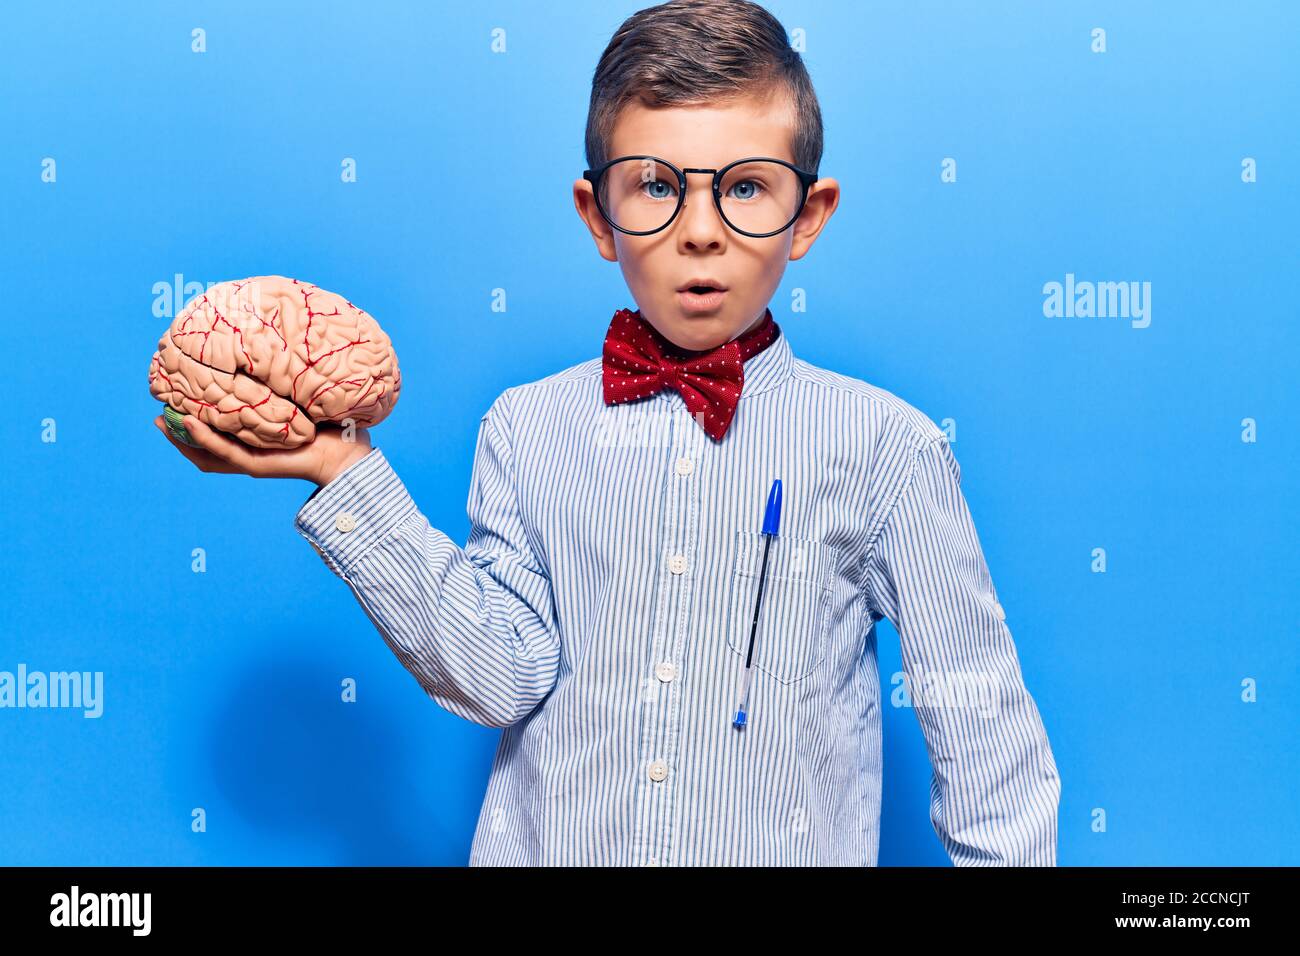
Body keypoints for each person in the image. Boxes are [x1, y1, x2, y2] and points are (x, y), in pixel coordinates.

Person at [156, 0, 1060, 866]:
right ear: (597, 215)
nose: (699, 234)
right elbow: (496, 676)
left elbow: (979, 719)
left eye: (746, 187)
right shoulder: (525, 428)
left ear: (807, 217)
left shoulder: (887, 450)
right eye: (655, 187)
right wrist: (343, 471)